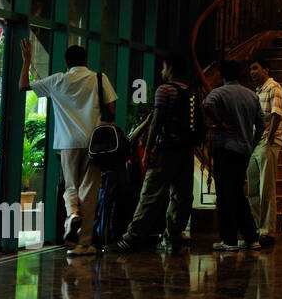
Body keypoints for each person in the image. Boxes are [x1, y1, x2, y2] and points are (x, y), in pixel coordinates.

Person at [17, 40, 117, 256]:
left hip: (67, 143)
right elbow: (111, 109)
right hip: (95, 143)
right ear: (86, 60)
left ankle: (72, 214)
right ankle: (83, 244)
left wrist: (27, 60)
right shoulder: (99, 78)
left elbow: (23, 86)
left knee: (71, 186)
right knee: (89, 190)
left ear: (66, 63)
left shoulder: (57, 80)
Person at [103, 56, 199, 253]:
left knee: (151, 194)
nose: (161, 71)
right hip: (186, 152)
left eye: (163, 67)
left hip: (167, 150)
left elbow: (157, 122)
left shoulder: (165, 90)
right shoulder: (191, 91)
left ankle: (131, 238)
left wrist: (147, 150)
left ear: (170, 68)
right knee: (181, 196)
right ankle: (173, 237)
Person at [202, 59, 263, 251]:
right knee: (236, 191)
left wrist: (219, 124)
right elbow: (261, 125)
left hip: (226, 148)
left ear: (222, 75)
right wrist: (252, 143)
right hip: (244, 149)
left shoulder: (219, 92)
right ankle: (250, 236)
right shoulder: (251, 95)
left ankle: (229, 239)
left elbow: (206, 106)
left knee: (225, 194)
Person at [246, 55, 282, 246]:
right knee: (253, 188)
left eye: (255, 68)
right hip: (255, 143)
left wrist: (269, 139)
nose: (252, 72)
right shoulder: (258, 91)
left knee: (266, 188)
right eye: (250, 69)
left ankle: (267, 231)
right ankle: (257, 227)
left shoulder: (273, 87)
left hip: (267, 142)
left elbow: (277, 115)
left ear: (266, 69)